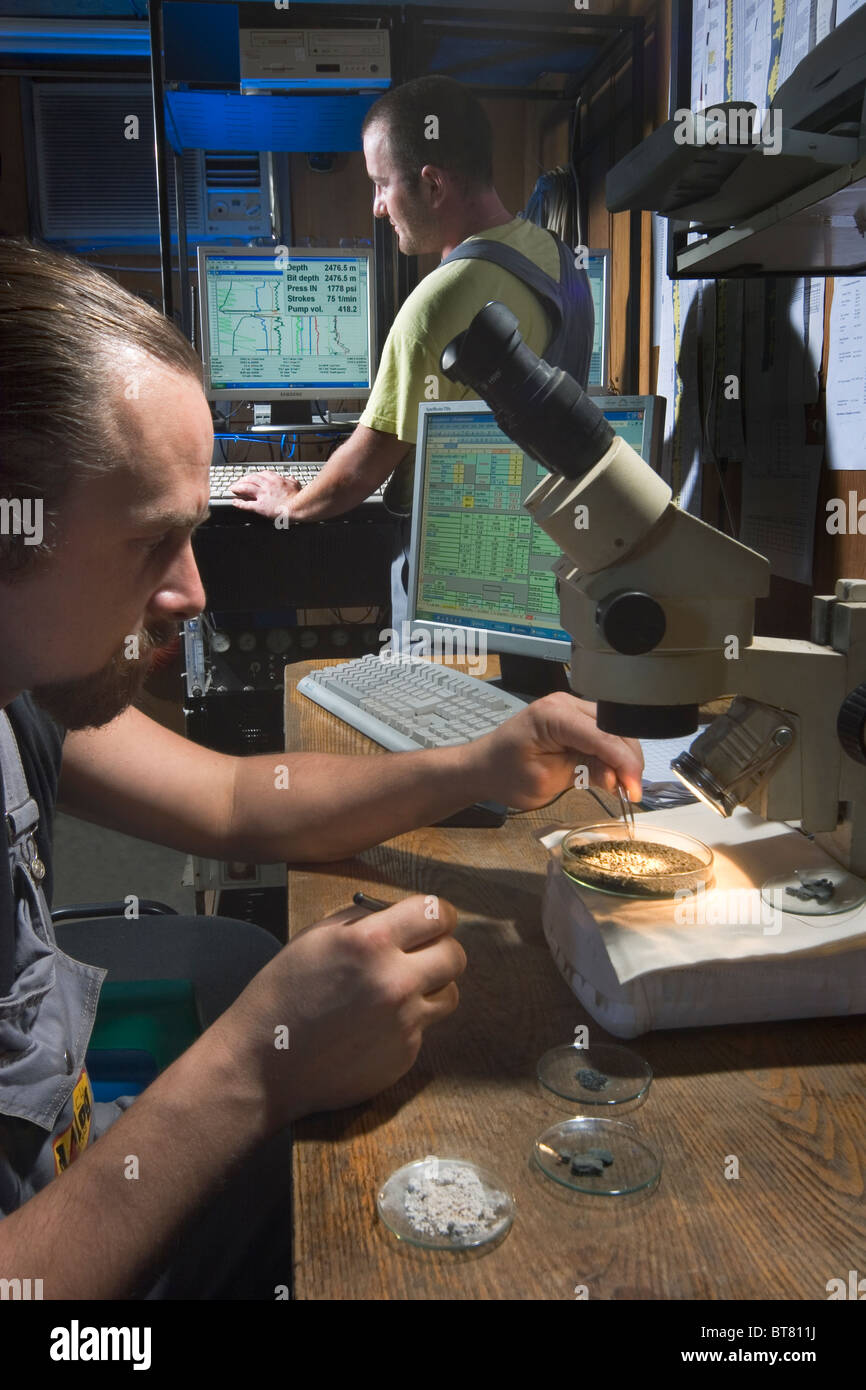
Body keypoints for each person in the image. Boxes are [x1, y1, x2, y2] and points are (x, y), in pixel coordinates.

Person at [0, 238, 641, 1299]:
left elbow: (234, 795)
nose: (194, 592)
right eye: (152, 543)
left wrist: (479, 759)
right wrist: (254, 1067)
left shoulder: (26, 684)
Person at [229, 75, 594, 631]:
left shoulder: (438, 302)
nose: (377, 207)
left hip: (459, 586)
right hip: (549, 568)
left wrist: (290, 504)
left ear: (432, 185)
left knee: (432, 712)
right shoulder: (557, 256)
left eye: (381, 184)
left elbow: (362, 470)